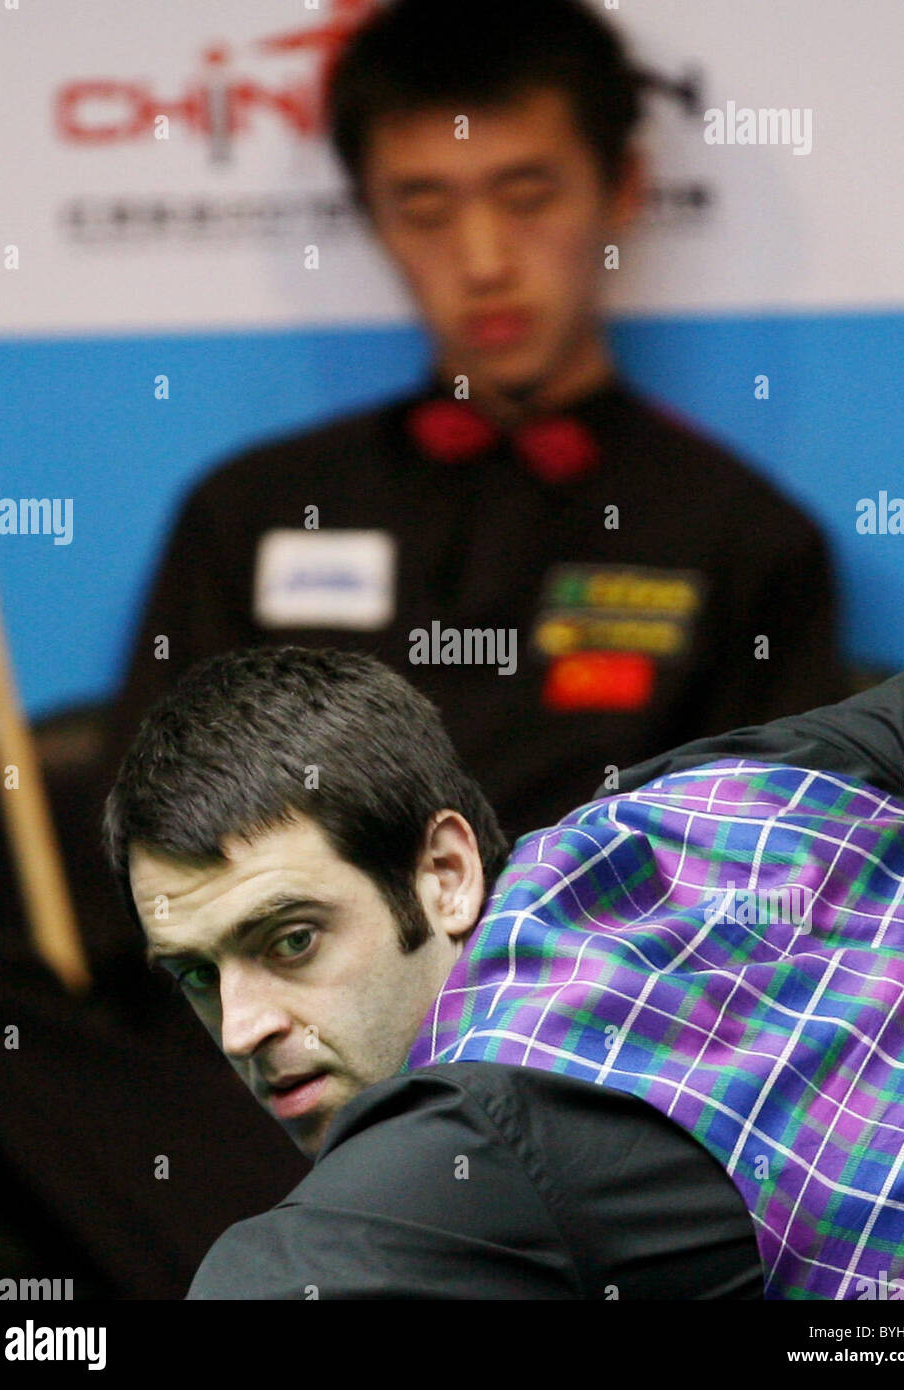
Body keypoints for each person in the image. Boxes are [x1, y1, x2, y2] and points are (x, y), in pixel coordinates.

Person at [111, 0, 847, 844]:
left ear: (623, 189)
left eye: (527, 196)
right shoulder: (250, 512)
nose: (483, 261)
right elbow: (157, 843)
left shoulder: (746, 540)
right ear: (369, 217)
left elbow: (779, 871)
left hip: (608, 976)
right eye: (425, 209)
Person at [105, 642, 904, 1300]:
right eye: (194, 974)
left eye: (291, 940)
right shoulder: (710, 794)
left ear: (442, 874)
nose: (240, 1026)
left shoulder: (471, 1144)